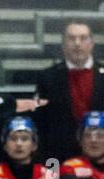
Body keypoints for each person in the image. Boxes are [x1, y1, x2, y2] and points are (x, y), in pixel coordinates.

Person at [34, 21, 104, 166]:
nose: (77, 43)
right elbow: (42, 127)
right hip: (58, 157)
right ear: (63, 45)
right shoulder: (47, 78)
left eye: (83, 38)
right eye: (71, 38)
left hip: (101, 160)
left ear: (92, 44)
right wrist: (51, 176)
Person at [62, 111, 104, 179]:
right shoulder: (69, 167)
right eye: (88, 135)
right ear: (80, 139)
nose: (94, 140)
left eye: (100, 135)